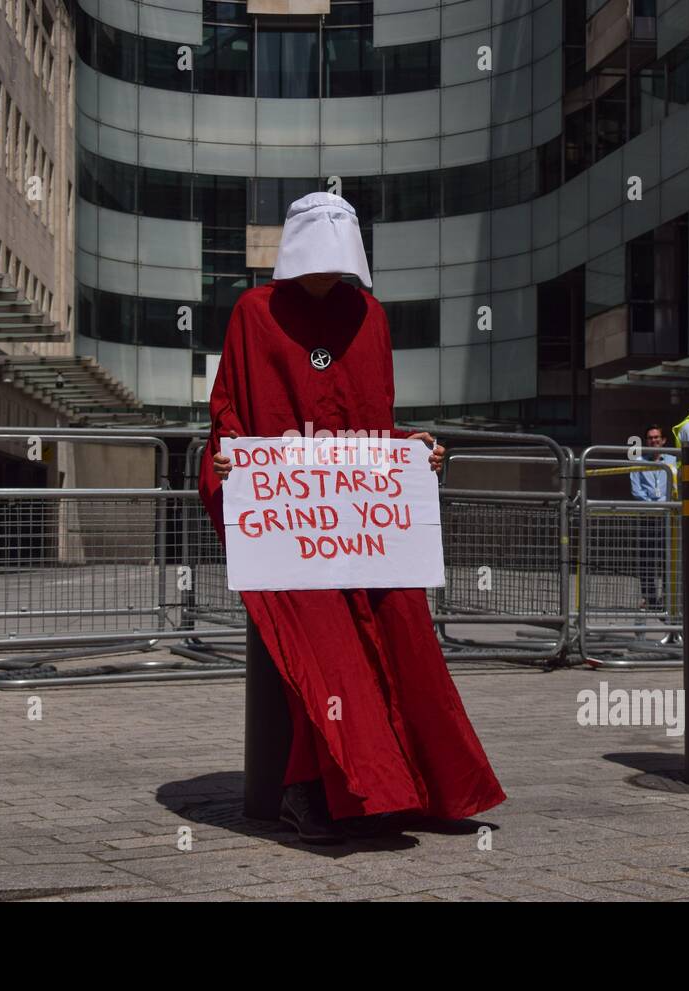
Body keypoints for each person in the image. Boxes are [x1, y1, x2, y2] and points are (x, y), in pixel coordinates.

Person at [198, 192, 506, 843]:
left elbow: (374, 421)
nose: (331, 274)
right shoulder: (254, 314)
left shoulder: (370, 316)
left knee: (404, 624)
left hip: (358, 521)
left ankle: (417, 782)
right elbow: (229, 412)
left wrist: (415, 450)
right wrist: (228, 463)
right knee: (324, 636)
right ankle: (312, 787)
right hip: (288, 526)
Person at [629, 425, 676, 611]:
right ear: (646, 442)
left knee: (667, 559)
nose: (654, 441)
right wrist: (654, 505)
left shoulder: (672, 460)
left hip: (667, 516)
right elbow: (636, 490)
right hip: (648, 516)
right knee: (647, 559)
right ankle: (648, 598)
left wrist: (665, 505)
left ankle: (666, 598)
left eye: (657, 437)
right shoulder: (638, 462)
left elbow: (676, 486)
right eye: (650, 438)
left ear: (663, 440)